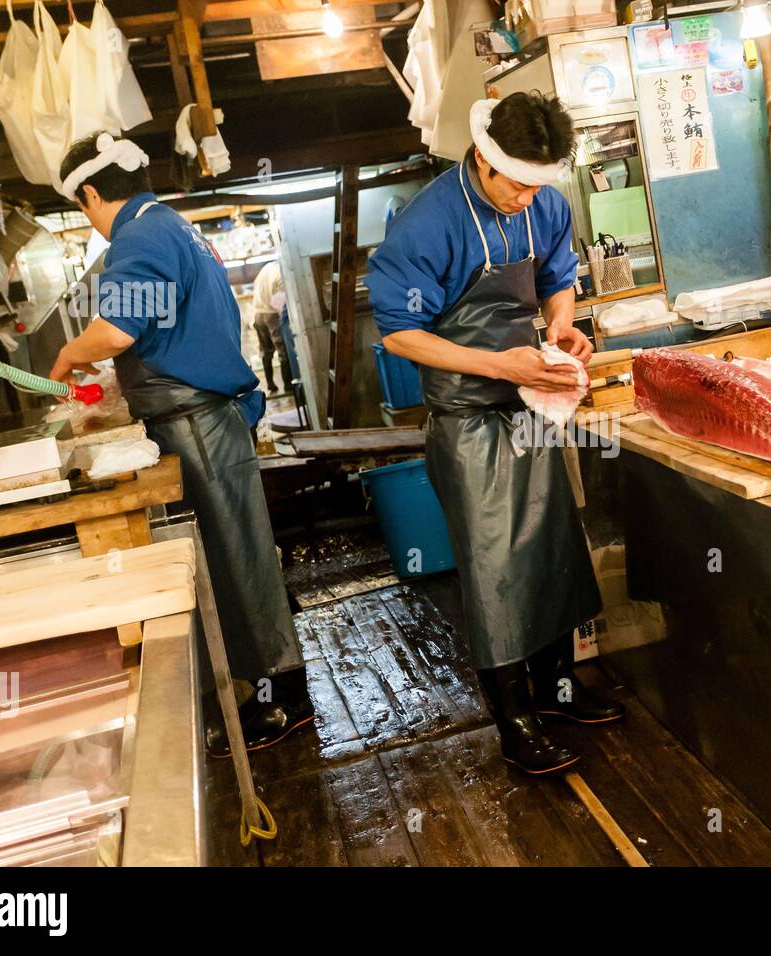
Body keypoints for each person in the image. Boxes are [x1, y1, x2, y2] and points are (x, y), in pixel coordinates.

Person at [366, 93, 624, 776]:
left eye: (539, 184)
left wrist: (562, 326)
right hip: (470, 417)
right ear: (481, 158)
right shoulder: (428, 224)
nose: (526, 198)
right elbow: (399, 332)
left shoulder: (544, 203)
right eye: (515, 182)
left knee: (551, 546)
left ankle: (559, 691)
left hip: (533, 403)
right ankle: (516, 724)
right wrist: (495, 364)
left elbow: (558, 275)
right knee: (494, 570)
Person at [48, 132, 311, 755]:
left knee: (232, 553)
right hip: (204, 416)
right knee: (236, 549)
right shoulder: (170, 225)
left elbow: (114, 330)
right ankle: (267, 689)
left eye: (83, 207)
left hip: (196, 423)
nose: (89, 218)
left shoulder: (139, 237)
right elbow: (158, 329)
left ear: (91, 194)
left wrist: (67, 355)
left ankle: (278, 701)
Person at [250, 258, 291, 394]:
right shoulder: (280, 272)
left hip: (258, 313)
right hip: (271, 315)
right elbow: (279, 302)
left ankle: (270, 385)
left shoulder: (266, 268)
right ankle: (288, 386)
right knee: (283, 350)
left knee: (266, 351)